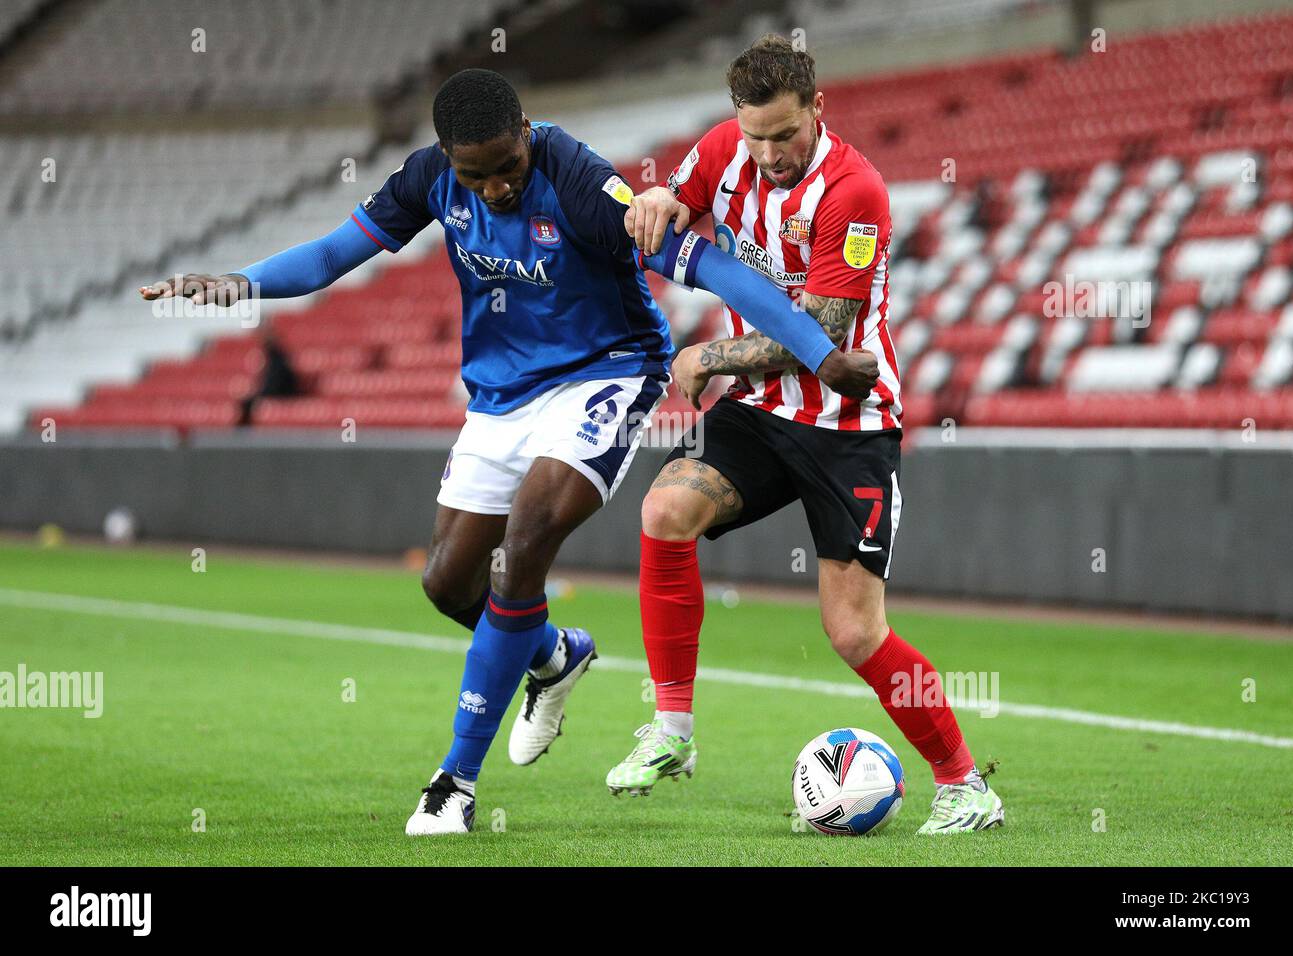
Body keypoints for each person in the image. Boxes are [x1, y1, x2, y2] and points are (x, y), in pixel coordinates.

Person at [141, 67, 880, 835]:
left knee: (522, 547)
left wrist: (817, 351)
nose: (495, 188)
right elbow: (331, 257)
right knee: (446, 583)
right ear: (447, 160)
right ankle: (555, 655)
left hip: (609, 374)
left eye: (507, 168)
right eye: (476, 175)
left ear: (528, 134)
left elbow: (712, 268)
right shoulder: (429, 179)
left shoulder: (586, 188)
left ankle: (453, 784)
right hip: (500, 399)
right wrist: (235, 284)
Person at [608, 35, 1005, 834]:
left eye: (783, 135)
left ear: (817, 110)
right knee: (663, 512)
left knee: (854, 631)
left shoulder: (856, 190)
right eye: (754, 136)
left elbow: (821, 333)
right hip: (760, 413)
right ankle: (672, 733)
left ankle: (966, 787)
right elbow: (669, 216)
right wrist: (652, 204)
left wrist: (712, 354)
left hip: (847, 424)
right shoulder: (726, 150)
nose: (768, 153)